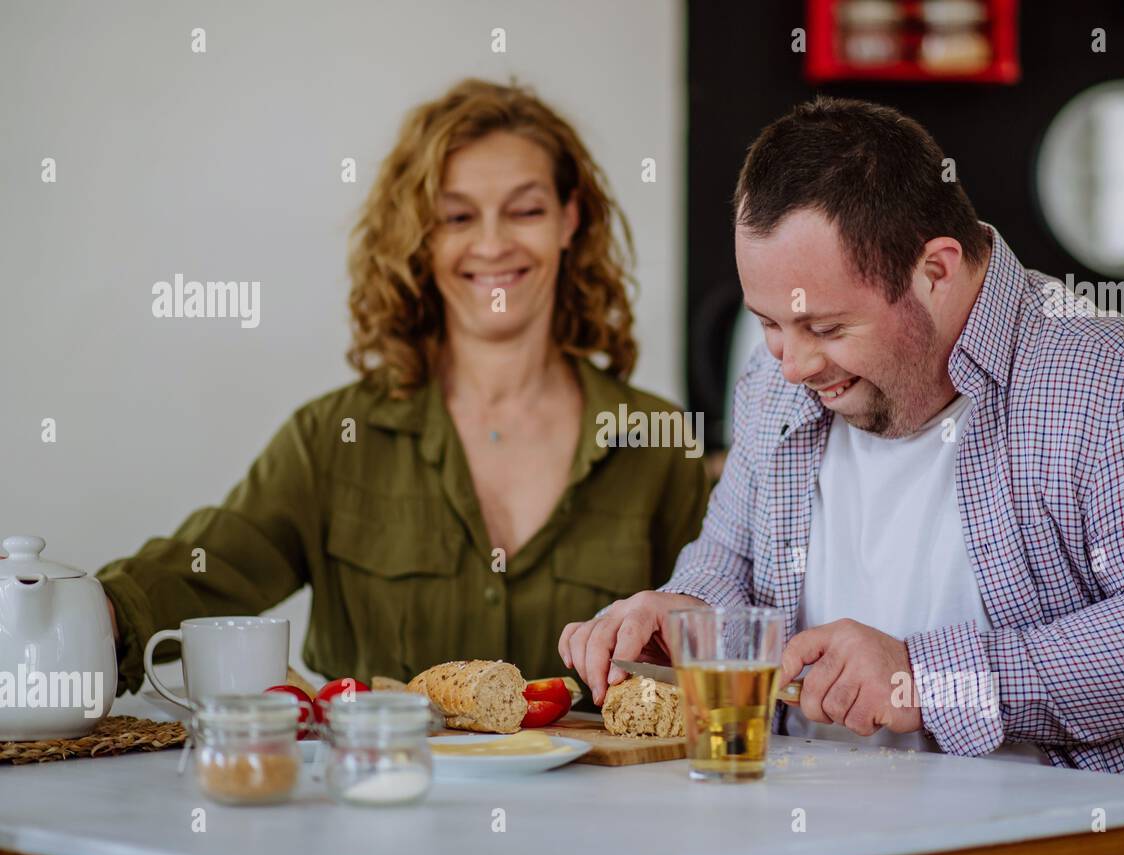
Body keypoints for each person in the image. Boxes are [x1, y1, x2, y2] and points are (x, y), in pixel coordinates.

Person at [559, 96, 1124, 855]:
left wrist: (925, 679)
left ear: (937, 270)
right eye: (768, 323)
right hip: (807, 842)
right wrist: (689, 613)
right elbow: (729, 561)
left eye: (827, 328)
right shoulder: (774, 385)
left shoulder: (1110, 387)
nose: (792, 365)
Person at [100, 79, 709, 703]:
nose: (493, 243)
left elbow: (719, 631)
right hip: (374, 769)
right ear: (422, 236)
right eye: (457, 217)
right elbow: (204, 570)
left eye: (526, 210)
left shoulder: (658, 443)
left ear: (569, 219)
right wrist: (88, 612)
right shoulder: (331, 438)